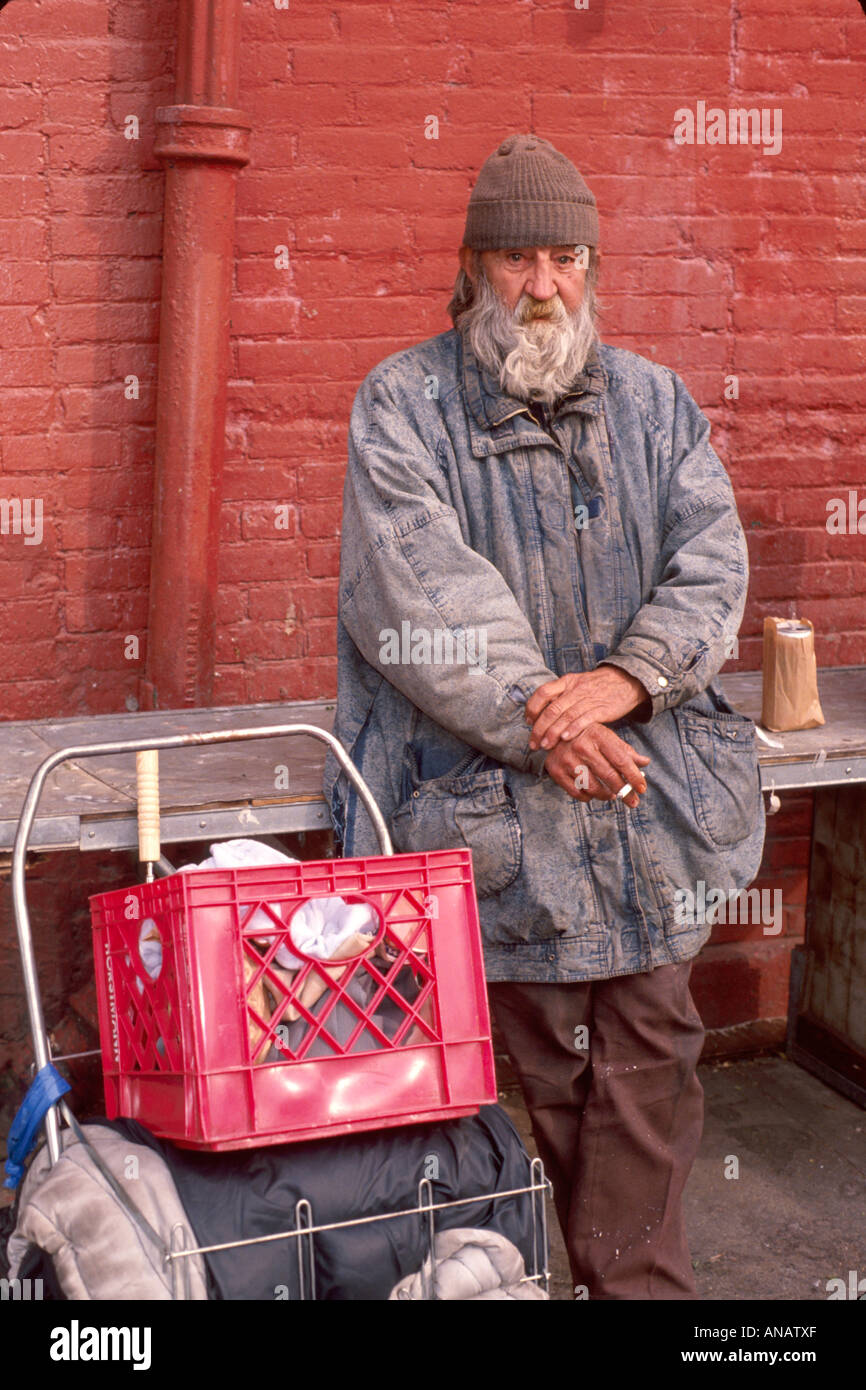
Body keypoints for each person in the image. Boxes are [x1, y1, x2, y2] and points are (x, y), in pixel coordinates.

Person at [323, 133, 765, 1299]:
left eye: (563, 257)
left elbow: (711, 564)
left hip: (645, 813)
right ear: (474, 268)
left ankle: (635, 1295)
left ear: (590, 268)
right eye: (515, 257)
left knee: (647, 1063)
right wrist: (540, 712)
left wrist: (626, 680)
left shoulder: (655, 404)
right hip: (496, 814)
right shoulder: (402, 406)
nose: (541, 284)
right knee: (533, 1070)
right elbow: (418, 585)